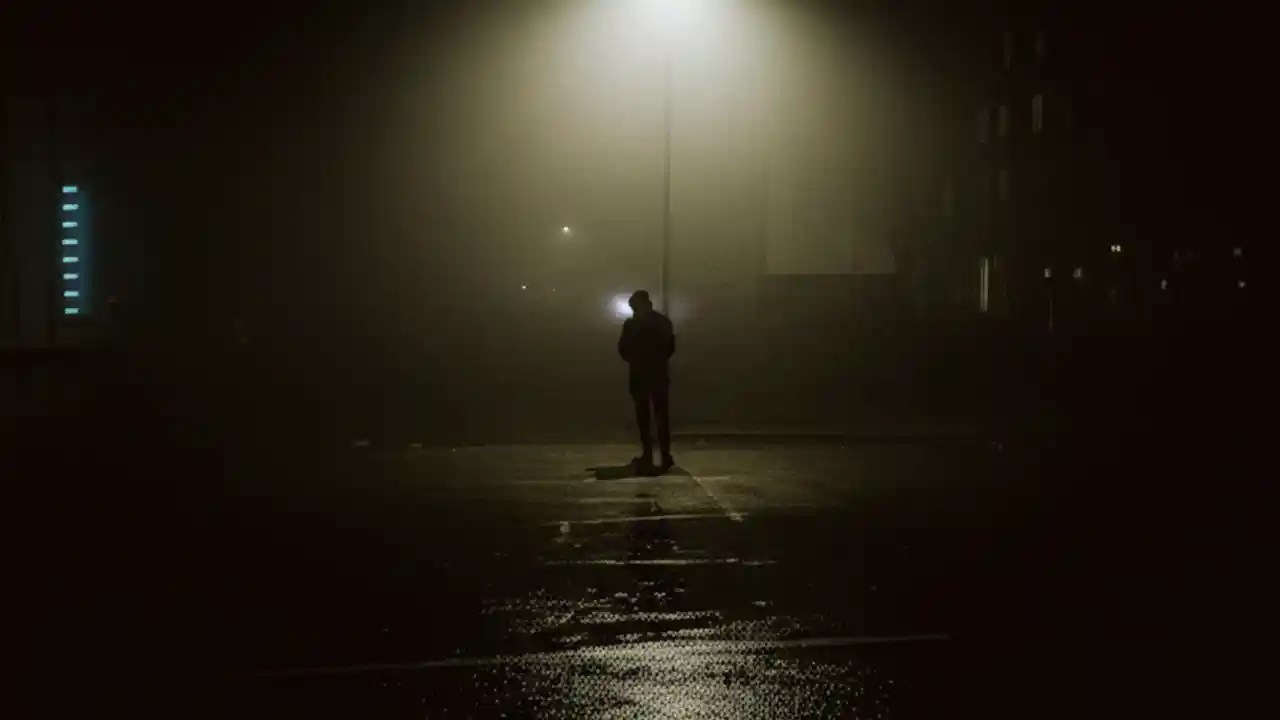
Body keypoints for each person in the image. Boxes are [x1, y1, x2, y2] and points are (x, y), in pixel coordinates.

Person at [617, 290, 676, 474]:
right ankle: (665, 455)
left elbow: (623, 349)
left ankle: (648, 454)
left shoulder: (631, 325)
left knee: (644, 418)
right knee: (661, 417)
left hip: (639, 374)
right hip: (657, 374)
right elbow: (670, 347)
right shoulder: (662, 322)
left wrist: (636, 359)